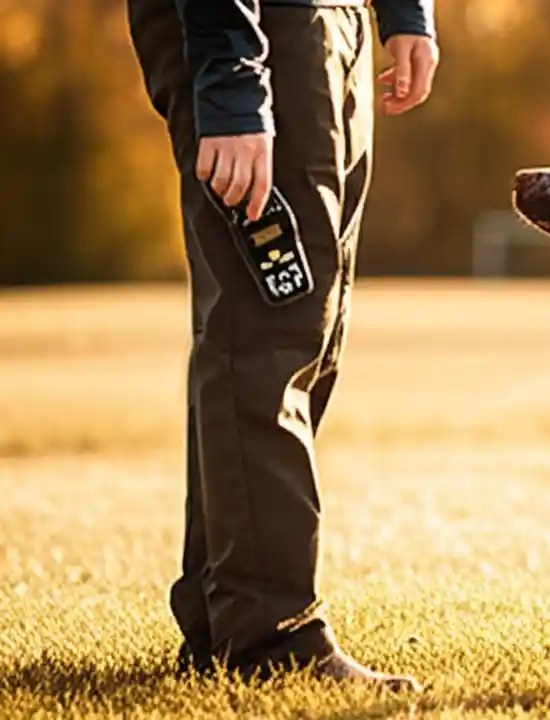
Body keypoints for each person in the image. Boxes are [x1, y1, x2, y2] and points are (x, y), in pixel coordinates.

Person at [127, 0, 438, 690]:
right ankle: (270, 639)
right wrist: (233, 83)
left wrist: (405, 12)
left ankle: (225, 618)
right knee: (268, 332)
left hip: (330, 23)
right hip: (261, 27)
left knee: (309, 331)